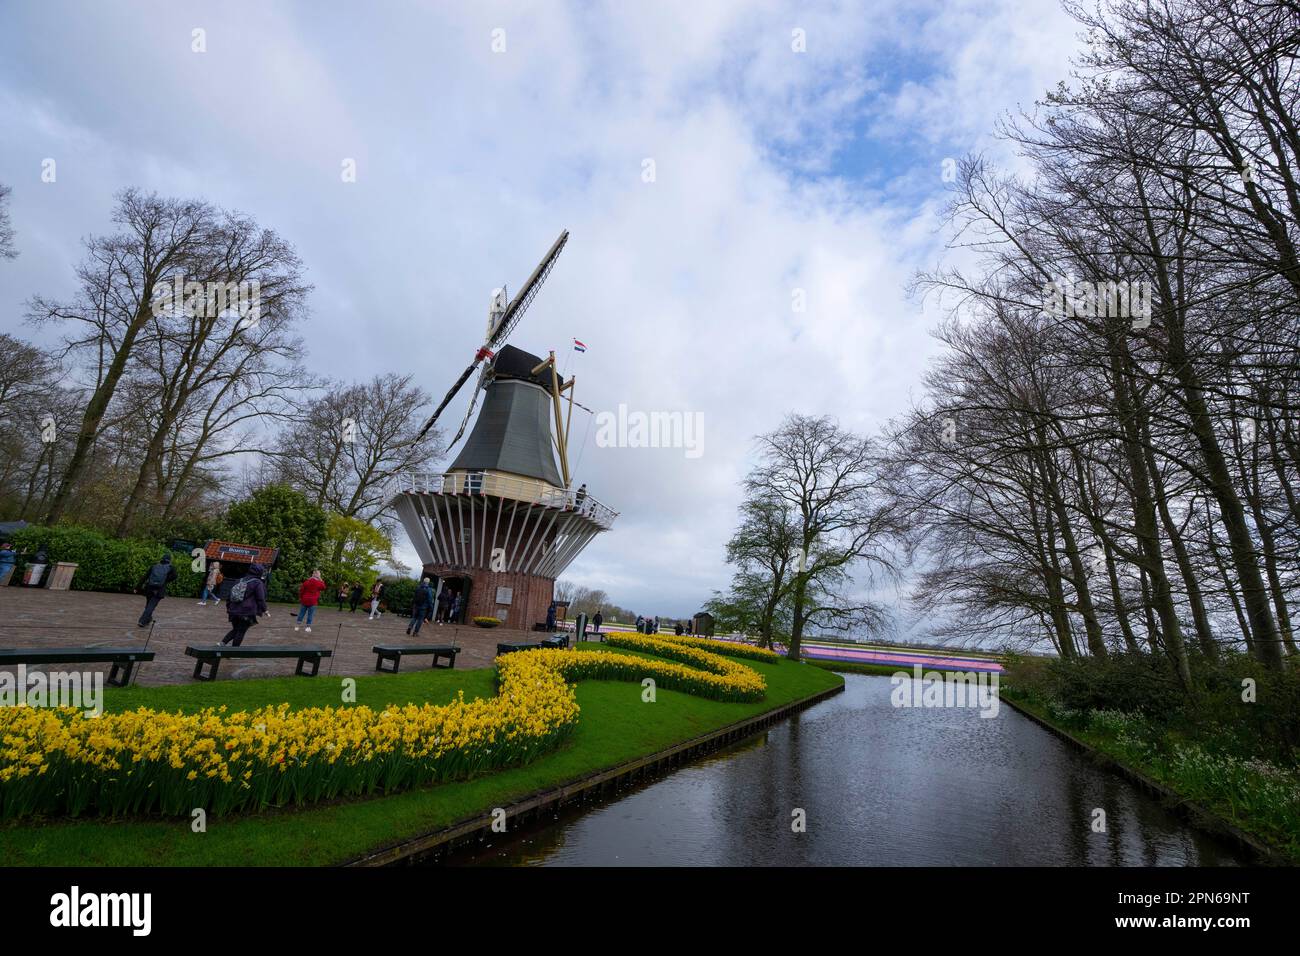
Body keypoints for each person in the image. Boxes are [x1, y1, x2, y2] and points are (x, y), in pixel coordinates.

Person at [220, 563, 268, 647]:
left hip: (233, 611)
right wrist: (265, 610)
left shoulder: (239, 580)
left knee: (236, 629)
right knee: (241, 631)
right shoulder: (258, 582)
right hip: (246, 612)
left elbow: (229, 596)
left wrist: (229, 608)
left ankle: (221, 644)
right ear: (259, 571)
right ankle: (233, 653)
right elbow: (260, 598)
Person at [136, 553, 178, 627]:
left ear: (161, 559)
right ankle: (142, 621)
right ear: (169, 560)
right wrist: (166, 580)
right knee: (151, 606)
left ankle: (147, 619)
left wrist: (137, 587)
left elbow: (145, 577)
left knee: (148, 605)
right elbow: (175, 576)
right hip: (159, 590)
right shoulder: (171, 567)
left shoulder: (154, 566)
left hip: (149, 588)